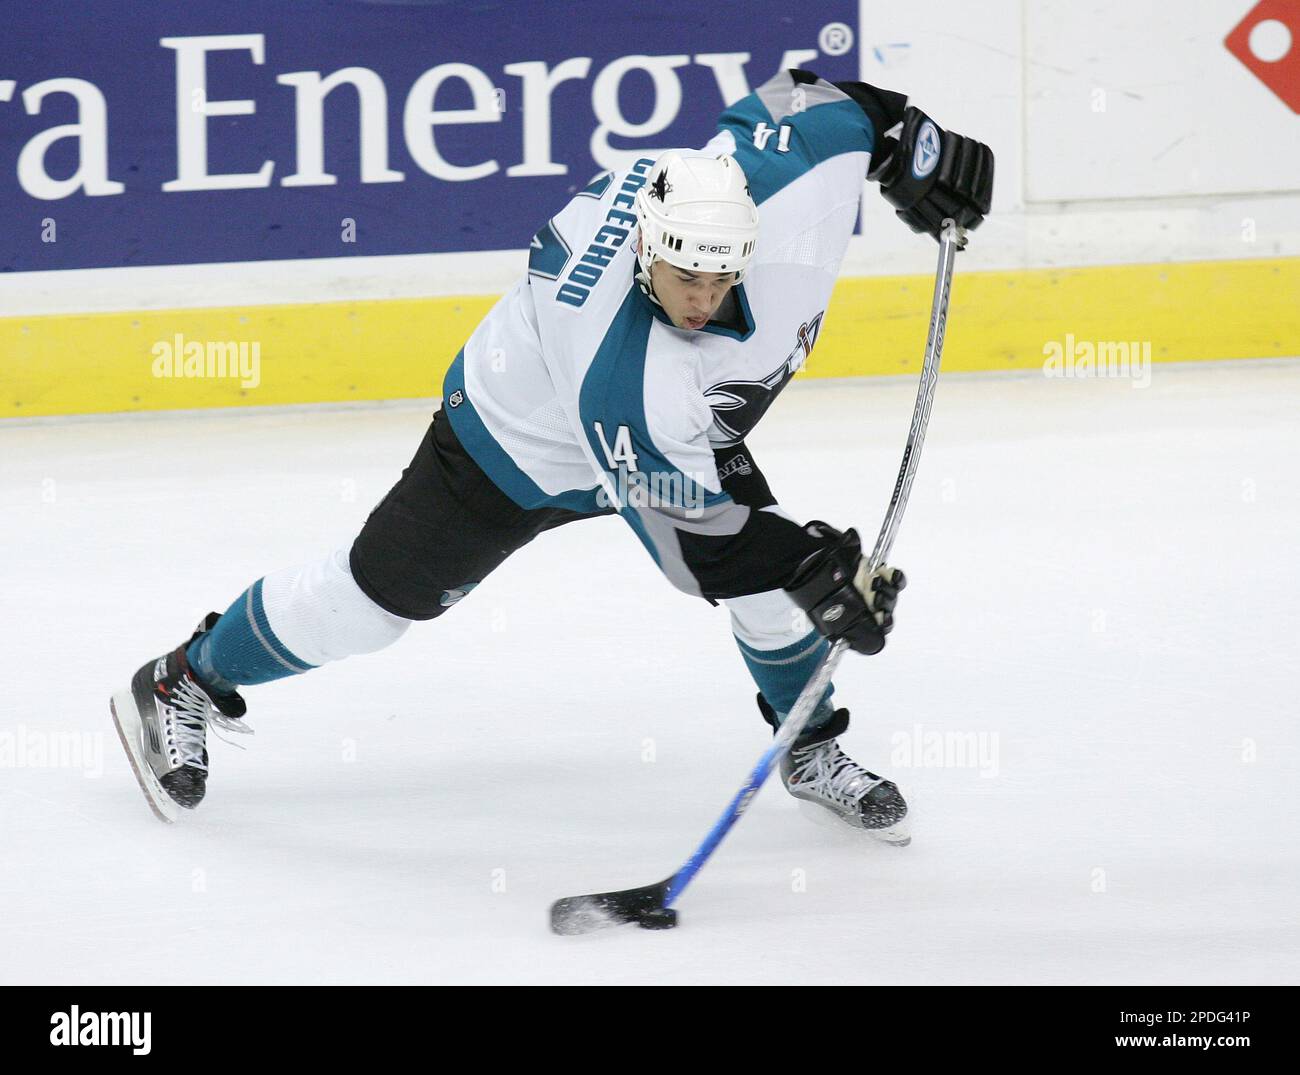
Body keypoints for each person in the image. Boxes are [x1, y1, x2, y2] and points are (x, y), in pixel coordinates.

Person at [111, 69, 993, 845]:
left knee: (769, 589)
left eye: (721, 277)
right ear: (647, 244)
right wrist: (813, 565)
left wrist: (917, 148)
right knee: (372, 606)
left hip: (677, 432)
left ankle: (810, 747)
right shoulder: (627, 372)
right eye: (685, 276)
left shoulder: (786, 184)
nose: (702, 298)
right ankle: (183, 678)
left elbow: (817, 97)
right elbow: (699, 546)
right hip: (512, 444)